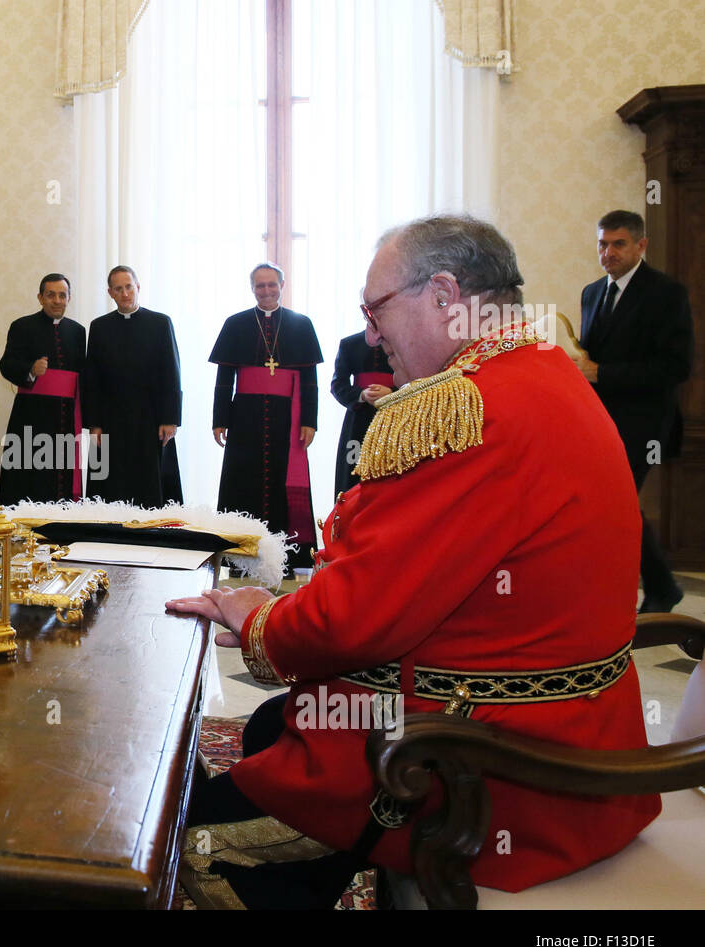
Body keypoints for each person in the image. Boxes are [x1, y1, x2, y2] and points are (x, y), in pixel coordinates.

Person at [166, 216, 659, 908]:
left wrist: (259, 622)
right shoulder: (541, 369)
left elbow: (356, 616)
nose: (369, 334)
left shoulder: (469, 409)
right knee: (270, 725)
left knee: (179, 840)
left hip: (489, 773)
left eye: (376, 309)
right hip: (573, 734)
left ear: (445, 295)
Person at [577, 210, 693, 613]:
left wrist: (601, 372)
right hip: (601, 421)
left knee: (619, 501)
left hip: (646, 424)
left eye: (618, 244)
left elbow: (677, 367)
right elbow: (589, 356)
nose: (608, 252)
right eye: (602, 244)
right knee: (610, 503)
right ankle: (640, 586)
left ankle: (660, 588)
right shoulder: (592, 292)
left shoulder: (667, 293)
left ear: (641, 245)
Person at [210, 264, 322, 569]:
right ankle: (238, 555)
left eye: (271, 285)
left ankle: (286, 556)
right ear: (252, 288)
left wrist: (309, 421)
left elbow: (310, 379)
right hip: (245, 417)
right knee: (241, 481)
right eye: (260, 286)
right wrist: (220, 419)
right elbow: (224, 377)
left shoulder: (301, 324)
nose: (266, 291)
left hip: (287, 418)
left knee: (280, 481)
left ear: (282, 284)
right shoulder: (236, 324)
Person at [82, 266, 183, 506]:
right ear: (110, 293)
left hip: (151, 417)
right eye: (118, 288)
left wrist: (170, 418)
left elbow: (172, 373)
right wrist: (94, 424)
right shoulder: (99, 327)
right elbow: (92, 379)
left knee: (152, 483)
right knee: (109, 484)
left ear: (137, 288)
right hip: (111, 418)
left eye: (129, 287)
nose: (125, 293)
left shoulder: (160, 323)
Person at [0, 273, 86, 505]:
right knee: (29, 473)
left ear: (69, 298)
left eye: (62, 295)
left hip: (66, 417)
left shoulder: (78, 331)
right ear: (40, 297)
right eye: (51, 295)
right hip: (31, 416)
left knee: (62, 475)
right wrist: (30, 369)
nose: (57, 300)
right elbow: (5, 365)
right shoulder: (22, 326)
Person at [330, 330, 394, 499]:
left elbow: (416, 380)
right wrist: (362, 394)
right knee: (352, 475)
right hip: (358, 420)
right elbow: (338, 385)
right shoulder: (349, 344)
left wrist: (392, 392)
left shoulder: (403, 342)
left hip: (393, 418)